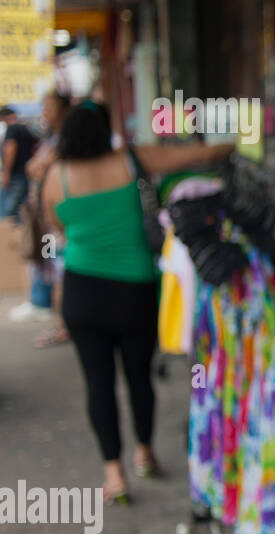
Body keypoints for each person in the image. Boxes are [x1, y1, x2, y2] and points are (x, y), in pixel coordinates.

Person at [41, 104, 235, 503]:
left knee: (98, 384)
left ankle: (114, 474)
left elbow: (57, 227)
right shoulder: (132, 159)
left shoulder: (54, 179)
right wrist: (237, 138)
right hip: (135, 291)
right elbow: (201, 155)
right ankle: (144, 453)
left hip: (82, 294)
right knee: (138, 377)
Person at [9, 91, 70, 325]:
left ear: (63, 110)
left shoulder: (66, 138)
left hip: (53, 214)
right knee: (45, 257)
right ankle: (41, 300)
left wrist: (37, 166)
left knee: (54, 260)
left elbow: (39, 167)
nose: (45, 113)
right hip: (44, 212)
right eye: (44, 107)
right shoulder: (51, 136)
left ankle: (48, 305)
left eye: (49, 107)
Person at [0, 105, 37, 218]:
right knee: (20, 210)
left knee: (6, 212)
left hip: (15, 174)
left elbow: (11, 148)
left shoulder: (12, 128)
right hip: (26, 173)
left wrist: (6, 173)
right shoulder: (26, 129)